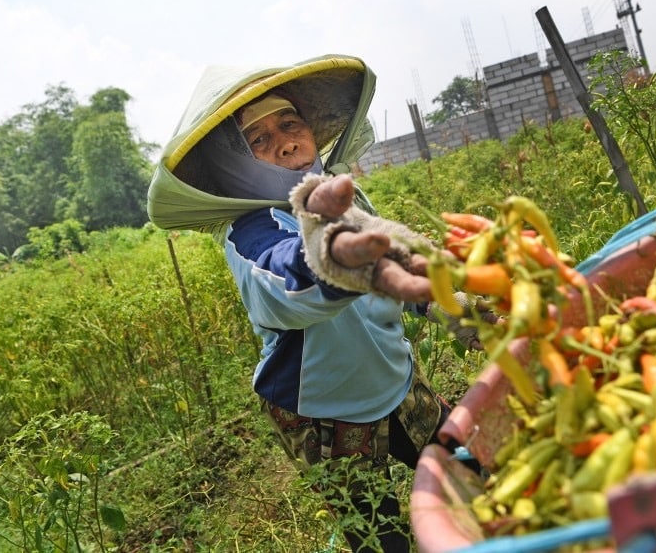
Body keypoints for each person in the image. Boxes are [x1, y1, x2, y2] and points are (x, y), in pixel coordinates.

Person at [146, 55, 482, 552]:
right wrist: (334, 260)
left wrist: (451, 308)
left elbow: (395, 270)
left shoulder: (347, 198)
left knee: (473, 481)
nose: (285, 141)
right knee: (380, 538)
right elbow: (286, 285)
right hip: (324, 413)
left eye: (289, 123)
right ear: (231, 164)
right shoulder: (252, 234)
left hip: (395, 378)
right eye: (258, 140)